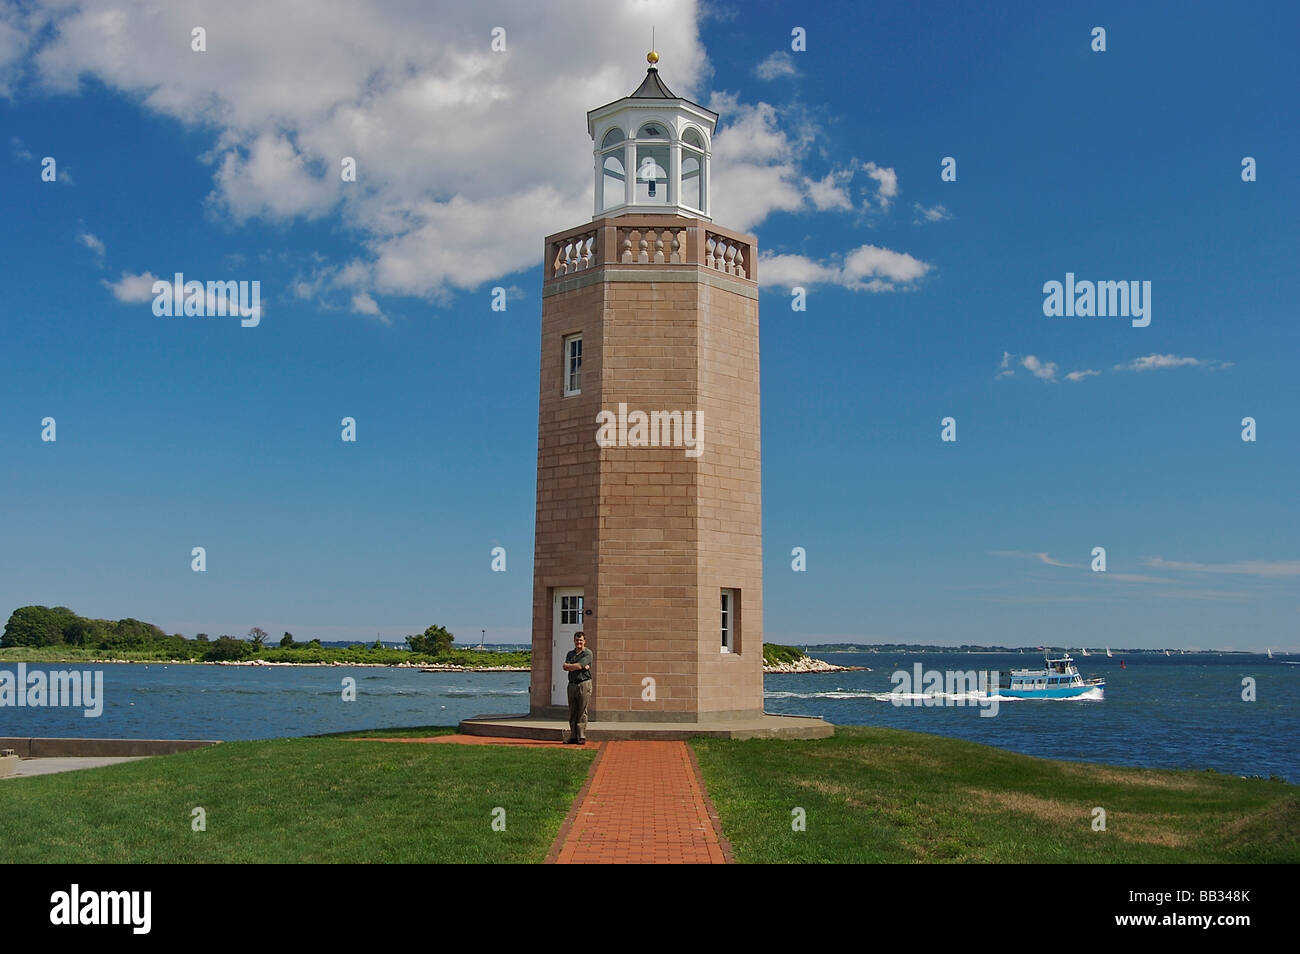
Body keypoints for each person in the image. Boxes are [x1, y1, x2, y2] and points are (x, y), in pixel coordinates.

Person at [562, 631, 593, 744]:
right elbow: (565, 667)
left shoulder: (588, 653)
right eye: (577, 640)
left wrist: (575, 666)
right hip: (572, 684)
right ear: (574, 641)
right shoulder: (570, 654)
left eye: (580, 640)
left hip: (584, 684)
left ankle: (581, 736)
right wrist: (578, 666)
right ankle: (573, 736)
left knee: (582, 710)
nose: (578, 642)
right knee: (573, 711)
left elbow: (578, 665)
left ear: (584, 641)